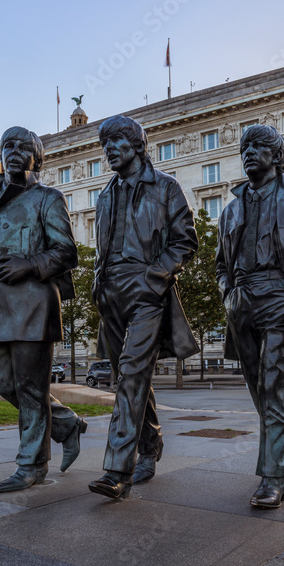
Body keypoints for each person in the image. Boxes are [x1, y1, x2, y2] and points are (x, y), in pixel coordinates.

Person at [0, 126, 87, 493]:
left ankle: (31, 465)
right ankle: (66, 424)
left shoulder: (48, 197)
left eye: (24, 147)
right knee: (6, 385)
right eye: (8, 146)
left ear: (38, 157)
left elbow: (67, 252)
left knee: (32, 389)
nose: (14, 152)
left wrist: (29, 264)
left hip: (33, 303)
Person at [88, 115, 199, 499]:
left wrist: (156, 278)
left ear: (137, 145)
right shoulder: (103, 196)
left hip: (147, 289)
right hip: (111, 294)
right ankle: (150, 446)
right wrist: (99, 282)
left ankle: (118, 470)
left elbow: (185, 241)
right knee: (129, 377)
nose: (109, 151)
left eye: (116, 143)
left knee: (133, 375)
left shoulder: (165, 187)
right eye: (105, 146)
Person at [215, 124, 284, 508]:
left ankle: (273, 476)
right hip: (243, 301)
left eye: (258, 146)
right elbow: (221, 263)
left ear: (278, 157)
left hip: (281, 298)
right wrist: (227, 294)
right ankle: (281, 445)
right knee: (260, 388)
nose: (249, 152)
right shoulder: (231, 210)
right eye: (245, 147)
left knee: (272, 385)